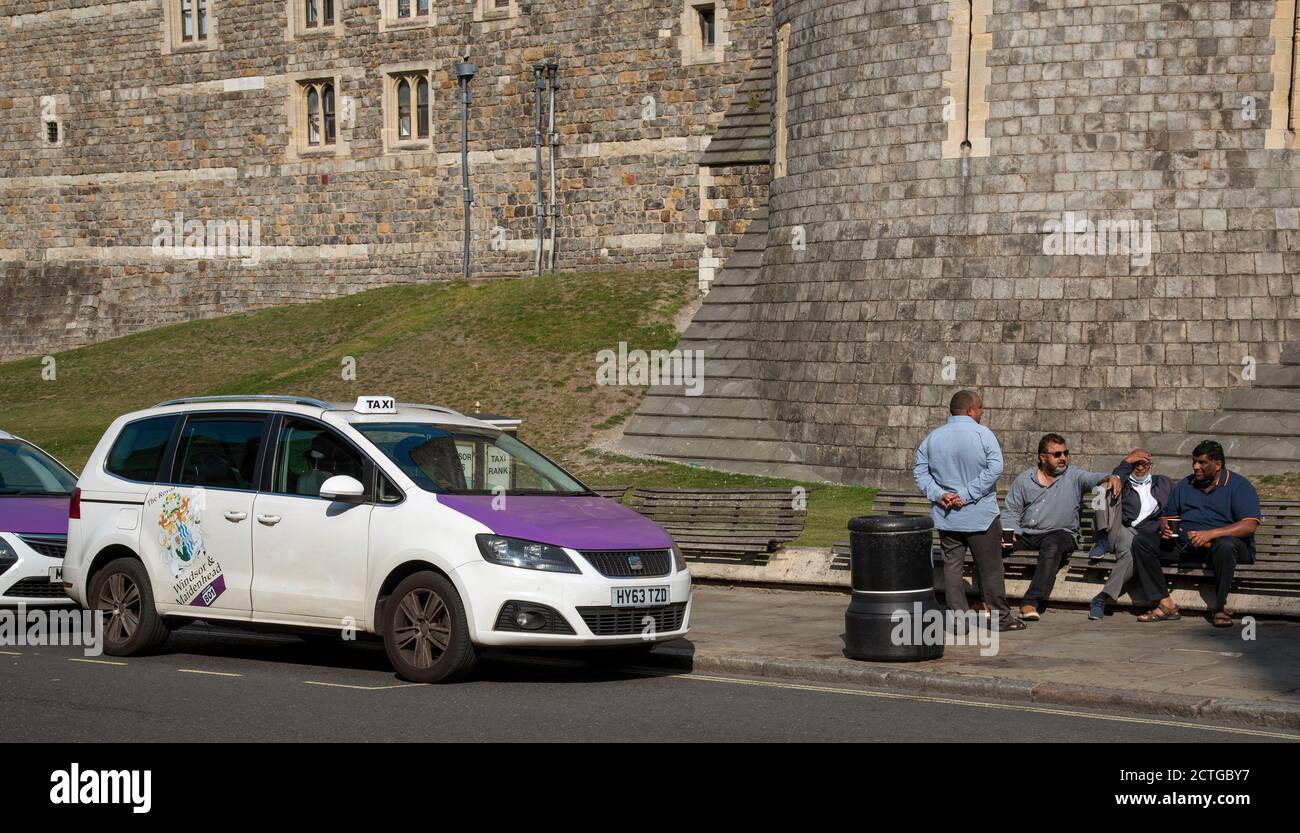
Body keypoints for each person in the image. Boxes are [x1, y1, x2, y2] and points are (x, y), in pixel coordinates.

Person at [913, 390, 1025, 631]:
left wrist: (939, 494)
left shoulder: (933, 438)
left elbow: (920, 472)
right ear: (971, 410)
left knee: (953, 568)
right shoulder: (983, 434)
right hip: (980, 516)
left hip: (947, 516)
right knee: (991, 569)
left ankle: (958, 621)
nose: (982, 412)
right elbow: (995, 469)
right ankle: (1001, 619)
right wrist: (965, 495)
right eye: (981, 408)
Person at [1132, 440, 1262, 627]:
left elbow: (1249, 524)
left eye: (1202, 462)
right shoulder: (1186, 484)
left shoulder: (1239, 486)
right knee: (1142, 541)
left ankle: (1219, 607)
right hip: (1187, 544)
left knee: (1225, 544)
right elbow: (1168, 516)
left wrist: (1211, 534)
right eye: (1194, 462)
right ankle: (1165, 603)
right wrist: (1166, 528)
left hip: (1225, 546)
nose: (1196, 467)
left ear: (1218, 465)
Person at [1001, 434, 1121, 620]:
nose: (1063, 458)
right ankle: (987, 599)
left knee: (1053, 545)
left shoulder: (1073, 476)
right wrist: (1011, 532)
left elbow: (1093, 478)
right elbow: (1011, 511)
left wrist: (1110, 477)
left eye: (1065, 453)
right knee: (989, 545)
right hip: (1028, 533)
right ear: (1042, 457)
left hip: (1061, 534)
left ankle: (1030, 602)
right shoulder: (1024, 480)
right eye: (1057, 454)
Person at [1088, 448, 1174, 620]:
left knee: (1132, 554)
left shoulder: (1163, 483)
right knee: (1102, 488)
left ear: (1151, 466)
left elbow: (1179, 502)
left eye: (1144, 463)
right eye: (1135, 464)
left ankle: (1101, 598)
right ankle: (1102, 540)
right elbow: (1113, 479)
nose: (1140, 468)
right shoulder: (1124, 482)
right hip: (1121, 530)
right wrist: (1125, 464)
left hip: (1145, 537)